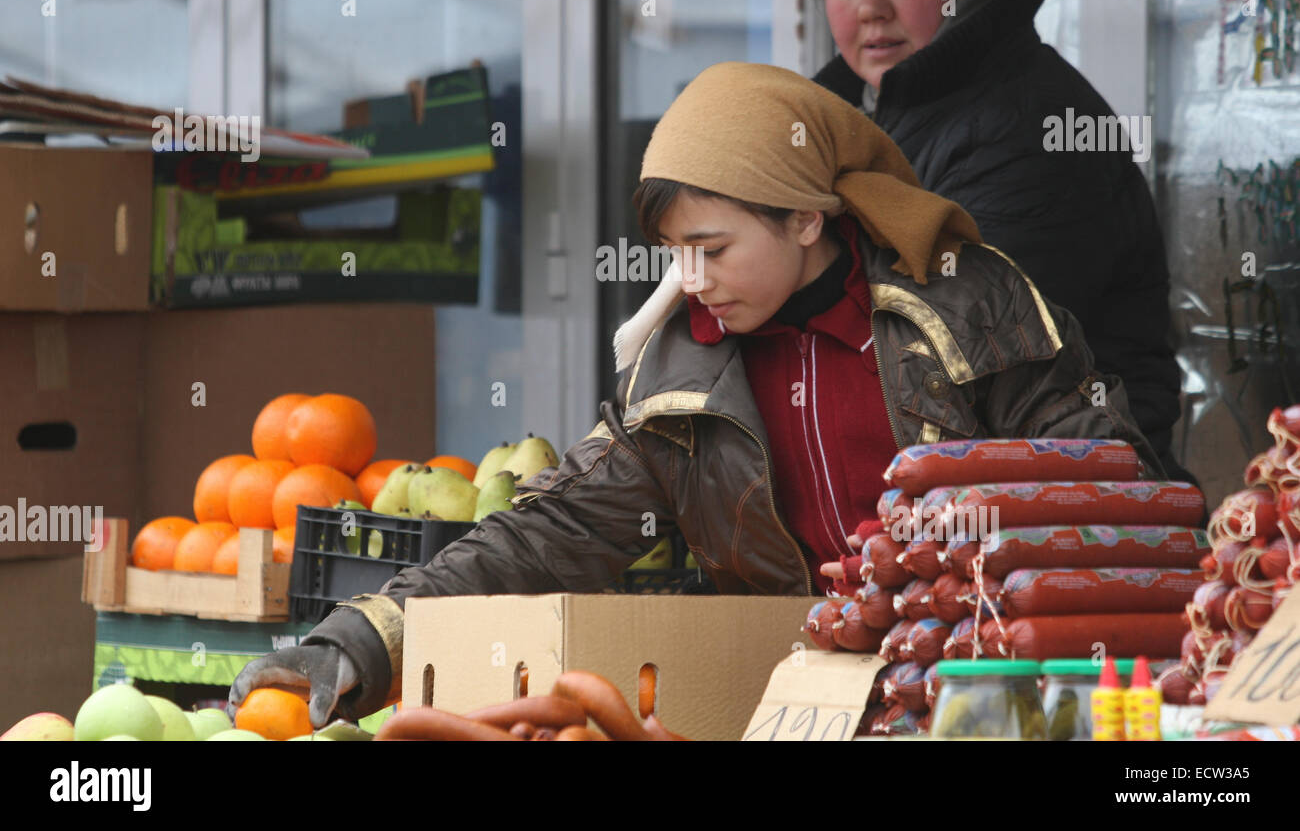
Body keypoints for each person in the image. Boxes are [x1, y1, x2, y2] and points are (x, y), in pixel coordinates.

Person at [230, 62, 1160, 728]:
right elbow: (547, 533)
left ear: (806, 217)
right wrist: (366, 635)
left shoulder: (964, 304)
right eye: (674, 253)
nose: (691, 278)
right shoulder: (676, 376)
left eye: (711, 249)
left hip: (1000, 696)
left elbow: (1108, 488)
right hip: (807, 707)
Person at [807, 0, 1190, 484]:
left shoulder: (1035, 123)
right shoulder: (838, 124)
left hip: (1074, 513)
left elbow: (959, 348)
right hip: (941, 504)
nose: (871, 8)